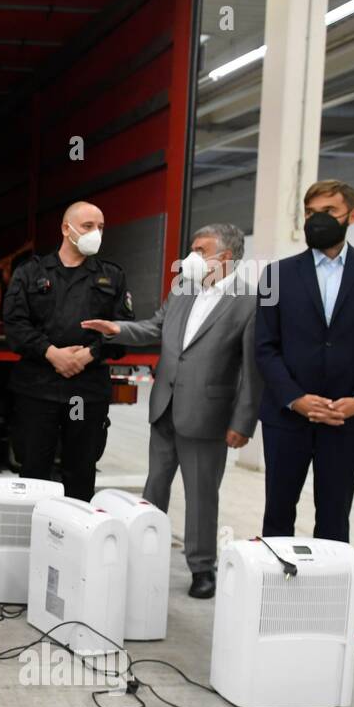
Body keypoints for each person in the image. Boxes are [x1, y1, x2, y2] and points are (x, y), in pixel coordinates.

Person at [82, 223, 262, 598]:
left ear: (226, 257)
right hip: (165, 406)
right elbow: (155, 328)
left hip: (207, 415)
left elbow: (253, 368)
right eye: (192, 249)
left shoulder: (249, 302)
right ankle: (142, 553)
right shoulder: (183, 289)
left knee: (201, 495)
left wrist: (243, 422)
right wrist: (117, 329)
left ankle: (202, 567)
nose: (191, 256)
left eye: (200, 250)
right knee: (154, 486)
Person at [256, 179, 354, 545]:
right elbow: (265, 347)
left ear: (352, 215)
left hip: (345, 418)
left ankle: (331, 581)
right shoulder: (275, 275)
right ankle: (276, 579)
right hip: (287, 417)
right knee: (278, 513)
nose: (316, 220)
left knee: (335, 517)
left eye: (328, 211)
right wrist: (295, 398)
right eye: (310, 212)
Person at [3, 201, 133, 500]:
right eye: (88, 226)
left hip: (83, 394)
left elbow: (123, 330)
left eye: (100, 227)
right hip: (38, 390)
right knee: (34, 470)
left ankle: (77, 526)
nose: (96, 233)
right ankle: (34, 528)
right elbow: (15, 325)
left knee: (80, 468)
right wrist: (51, 353)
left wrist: (89, 355)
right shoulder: (30, 272)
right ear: (66, 228)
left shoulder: (111, 276)